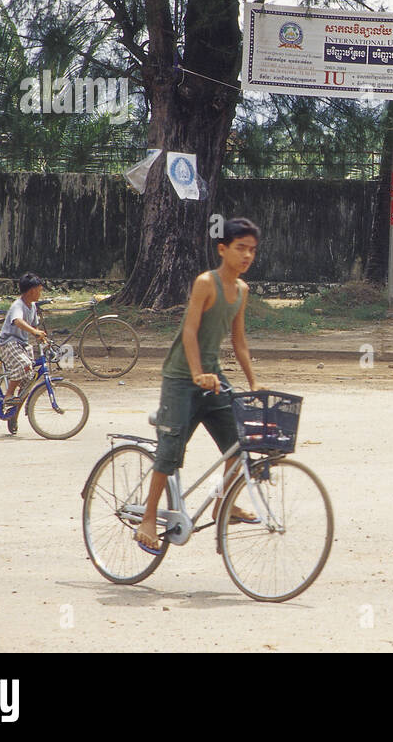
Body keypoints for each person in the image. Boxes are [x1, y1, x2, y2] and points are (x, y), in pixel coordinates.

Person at [135, 217, 262, 555]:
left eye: (252, 250)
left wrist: (254, 382)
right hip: (180, 377)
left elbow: (239, 341)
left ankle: (223, 504)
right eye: (240, 249)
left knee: (239, 443)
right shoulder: (206, 283)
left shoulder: (242, 291)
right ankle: (148, 518)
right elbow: (189, 332)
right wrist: (195, 373)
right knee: (170, 450)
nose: (247, 256)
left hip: (213, 377)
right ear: (223, 249)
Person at [0, 273, 48, 432]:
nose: (40, 293)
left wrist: (41, 337)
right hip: (8, 343)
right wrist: (34, 331)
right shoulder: (17, 305)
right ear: (30, 291)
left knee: (29, 381)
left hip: (22, 345)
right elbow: (18, 321)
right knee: (24, 365)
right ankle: (9, 395)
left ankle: (13, 415)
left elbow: (34, 327)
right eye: (38, 290)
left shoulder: (32, 306)